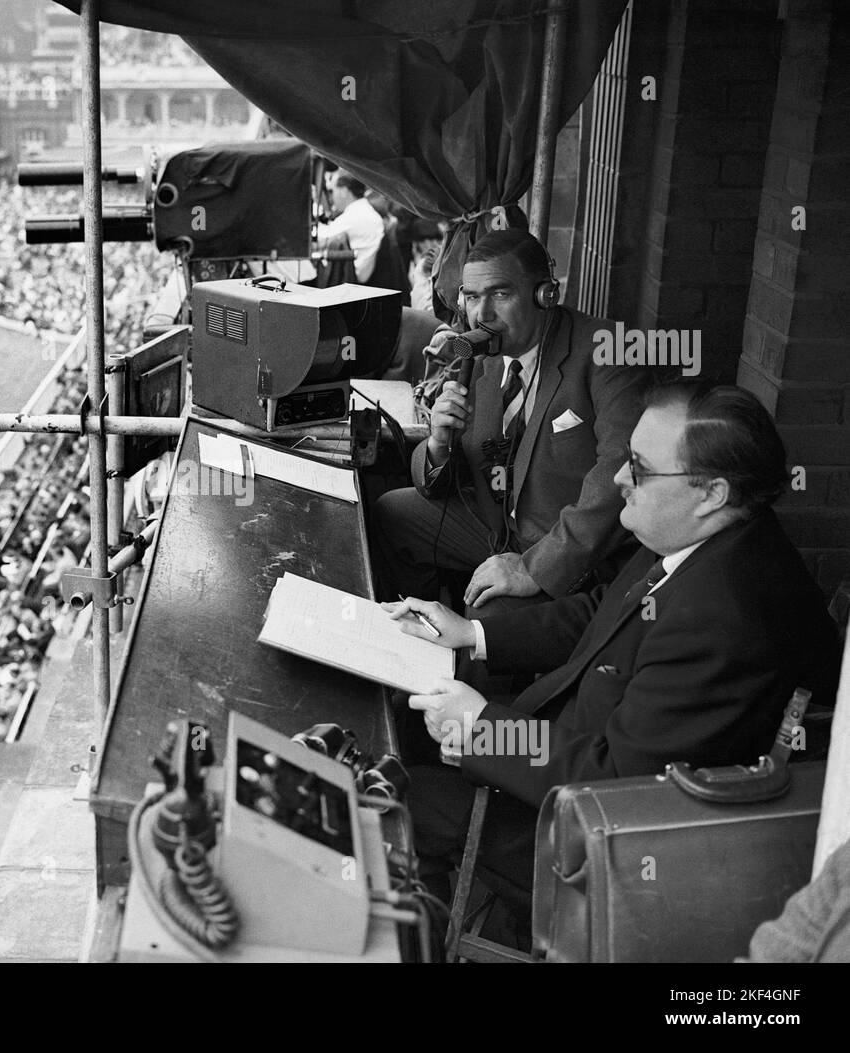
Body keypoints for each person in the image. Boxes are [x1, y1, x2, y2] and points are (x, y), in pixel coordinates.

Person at [386, 383, 841, 909]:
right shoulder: (711, 537)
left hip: (591, 851)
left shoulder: (724, 618)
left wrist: (485, 730)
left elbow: (619, 785)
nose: (621, 479)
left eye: (641, 468)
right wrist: (473, 635)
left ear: (711, 492)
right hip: (562, 756)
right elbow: (606, 610)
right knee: (400, 726)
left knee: (386, 799)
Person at [371, 228, 648, 615]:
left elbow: (621, 472)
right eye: (471, 297)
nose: (482, 314)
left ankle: (471, 655)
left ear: (545, 295)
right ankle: (425, 630)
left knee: (488, 617)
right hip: (497, 528)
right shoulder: (484, 357)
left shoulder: (611, 349)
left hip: (567, 547)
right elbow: (454, 477)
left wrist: (535, 568)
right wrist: (437, 444)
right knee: (392, 513)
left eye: (500, 294)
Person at [315, 170, 385, 283]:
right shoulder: (362, 209)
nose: (331, 197)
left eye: (332, 191)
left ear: (343, 191)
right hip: (358, 276)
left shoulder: (356, 215)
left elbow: (320, 240)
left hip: (351, 280)